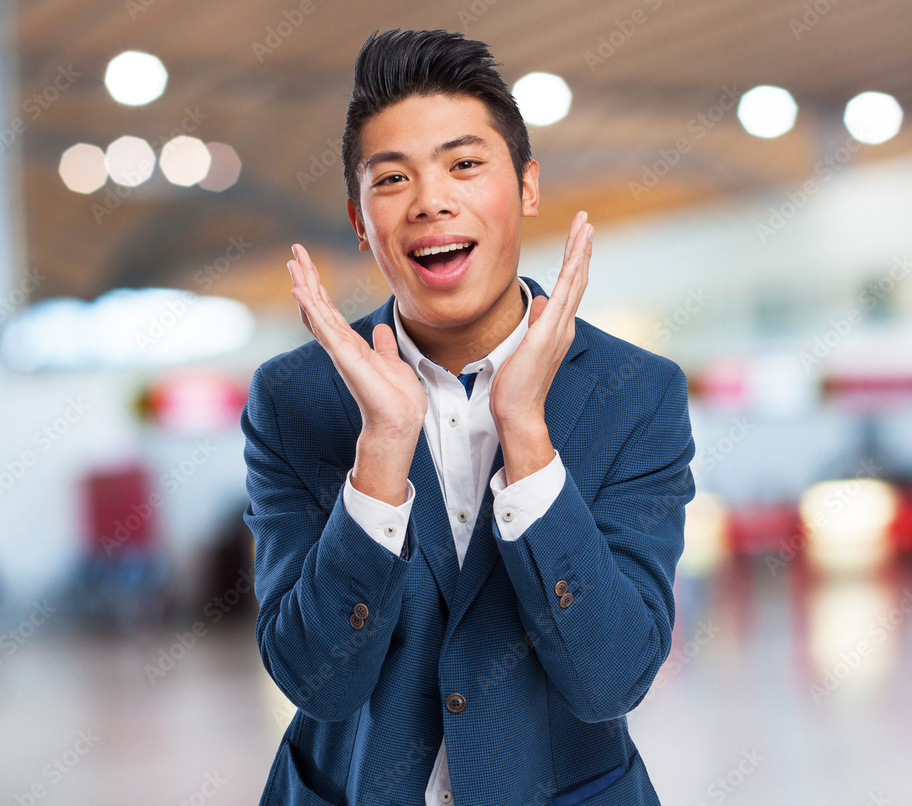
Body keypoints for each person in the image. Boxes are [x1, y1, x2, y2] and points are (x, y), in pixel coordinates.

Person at [242, 27, 695, 806]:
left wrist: (527, 434)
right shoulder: (294, 395)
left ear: (525, 187)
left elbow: (612, 678)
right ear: (358, 219)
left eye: (464, 164)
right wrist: (382, 452)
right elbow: (314, 680)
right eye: (392, 180)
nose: (431, 201)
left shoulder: (638, 391)